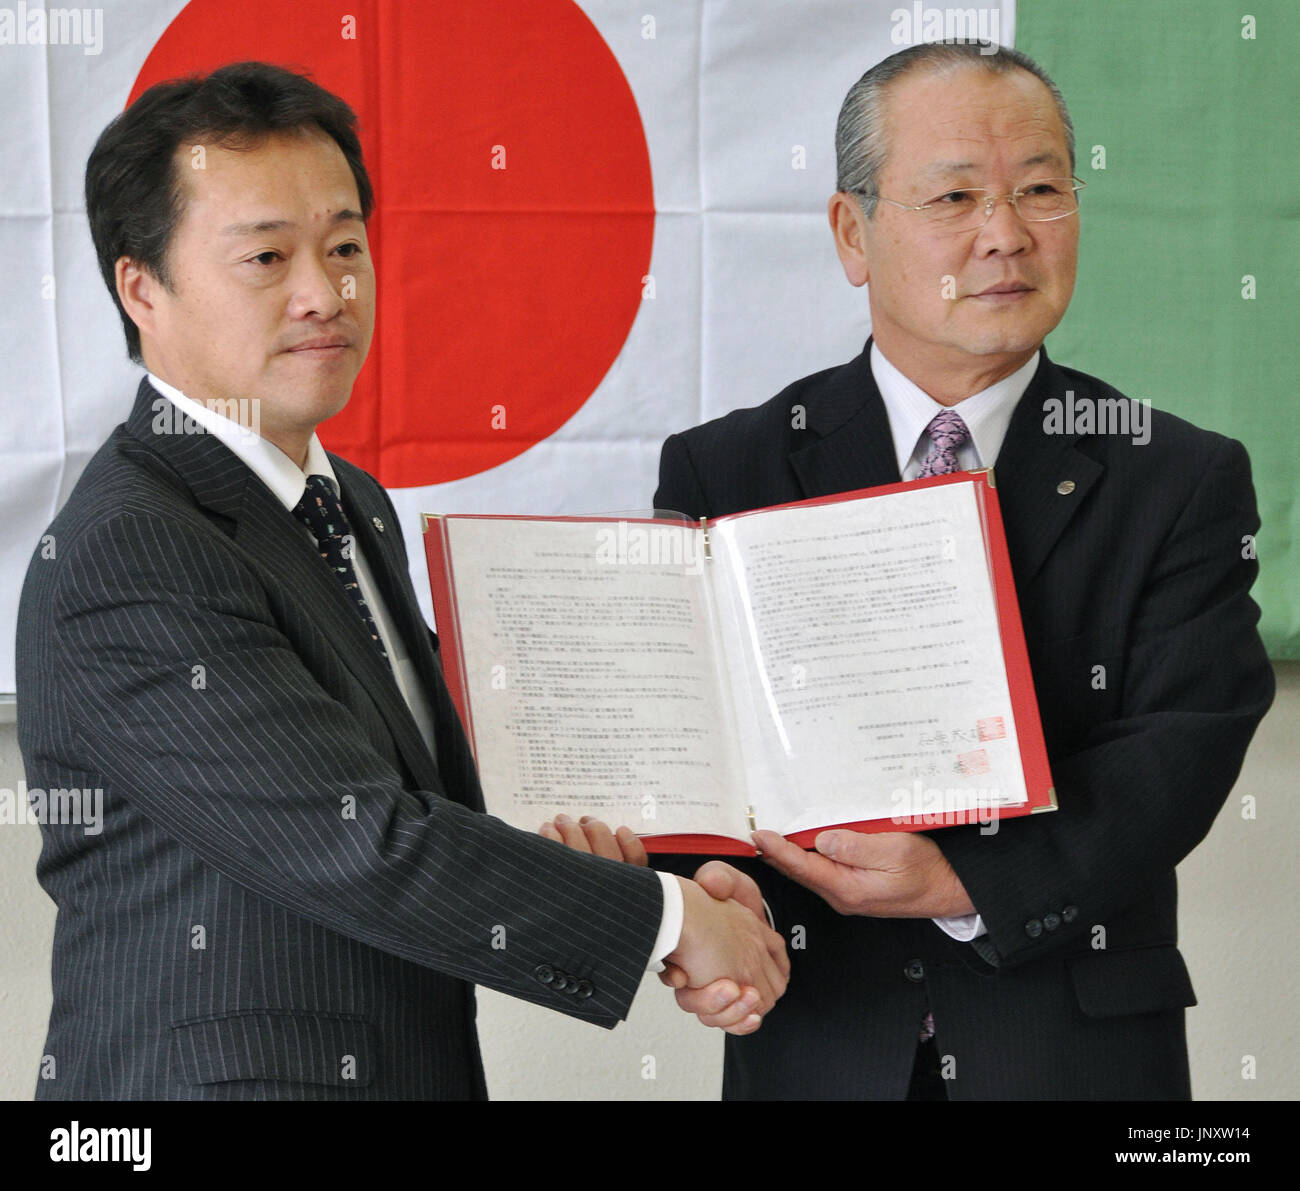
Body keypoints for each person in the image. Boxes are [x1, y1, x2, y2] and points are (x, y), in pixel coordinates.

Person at [15, 61, 787, 1101]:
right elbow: (362, 845)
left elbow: (427, 806)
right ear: (140, 288)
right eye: (266, 256)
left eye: (344, 247)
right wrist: (670, 925)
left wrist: (658, 879)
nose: (323, 292)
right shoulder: (133, 546)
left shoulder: (352, 503)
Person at [554, 42, 1274, 1099]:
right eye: (954, 196)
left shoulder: (1174, 473)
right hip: (814, 1042)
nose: (1006, 235)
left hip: (1075, 1053)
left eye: (1041, 190)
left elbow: (1182, 749)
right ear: (853, 234)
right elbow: (693, 752)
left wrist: (967, 877)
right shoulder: (732, 467)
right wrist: (707, 892)